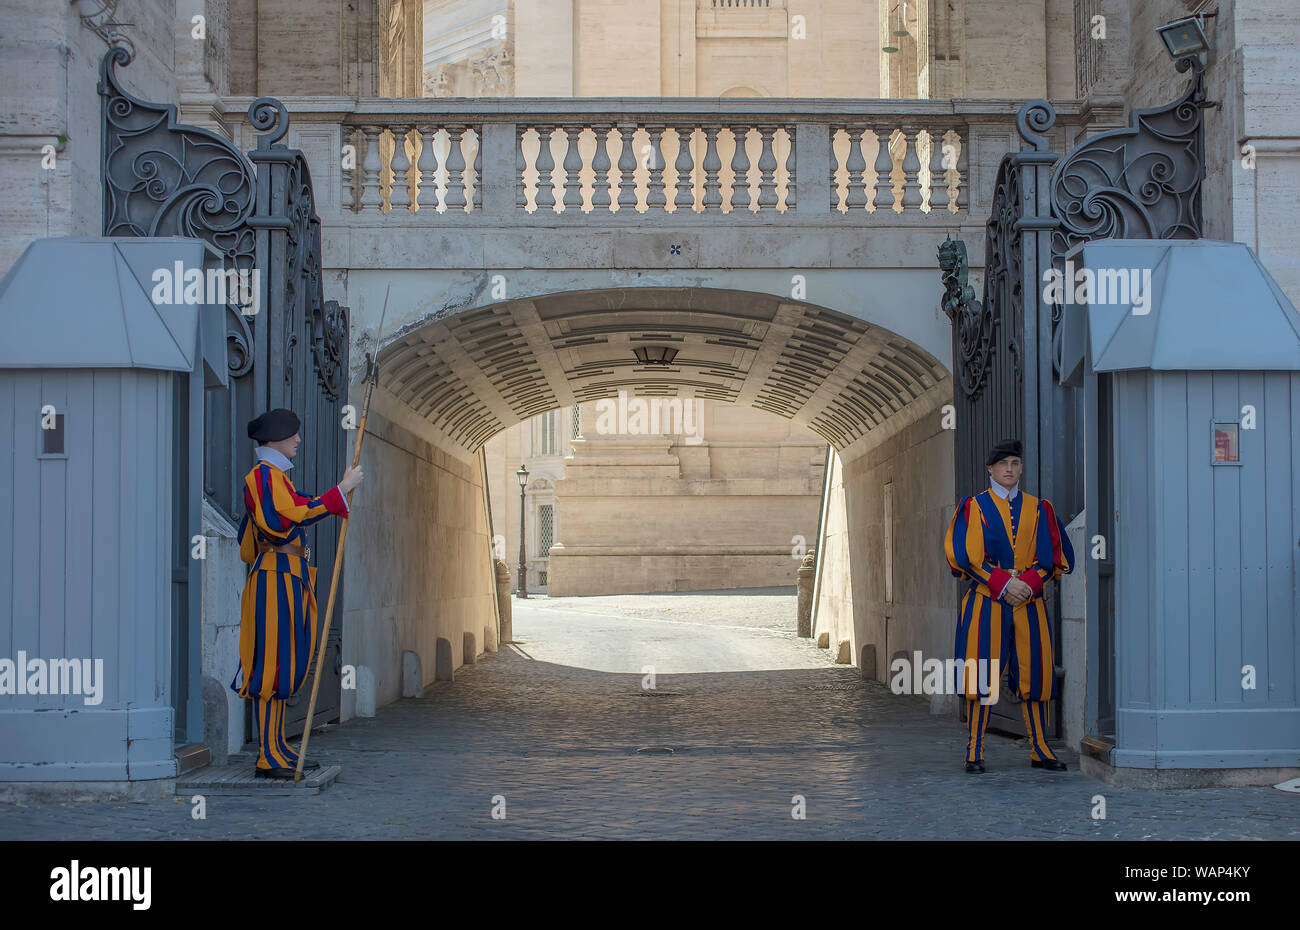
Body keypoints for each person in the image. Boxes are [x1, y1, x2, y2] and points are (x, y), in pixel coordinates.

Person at [230, 408, 364, 779]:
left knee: (285, 666)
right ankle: (266, 754)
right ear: (276, 438)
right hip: (274, 577)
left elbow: (301, 505)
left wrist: (338, 494)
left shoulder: (276, 479)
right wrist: (339, 492)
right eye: (293, 435)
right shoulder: (263, 477)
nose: (298, 441)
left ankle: (276, 747)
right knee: (270, 667)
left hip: (288, 576)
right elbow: (286, 518)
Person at [943, 438, 1073, 773]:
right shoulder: (974, 506)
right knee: (980, 673)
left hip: (1028, 602)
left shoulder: (1039, 507)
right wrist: (1004, 585)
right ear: (991, 469)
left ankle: (1040, 749)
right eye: (1004, 465)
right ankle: (974, 750)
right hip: (987, 602)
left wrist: (1027, 586)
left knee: (1036, 675)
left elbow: (1052, 557)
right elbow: (967, 557)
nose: (1010, 470)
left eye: (1015, 464)